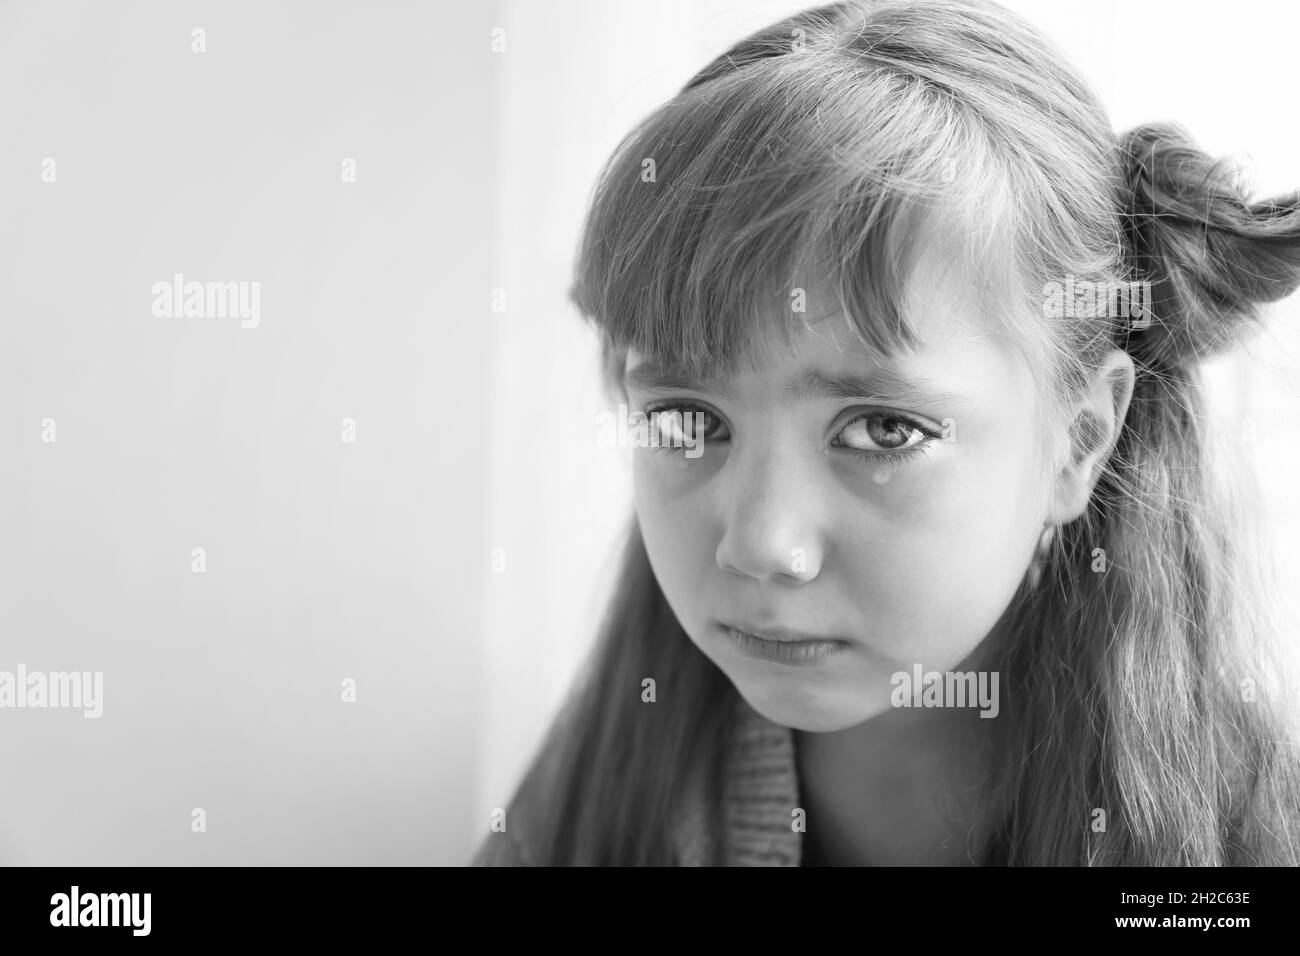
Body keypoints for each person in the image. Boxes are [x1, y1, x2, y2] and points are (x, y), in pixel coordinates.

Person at [472, 0, 1300, 865]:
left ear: (1080, 438)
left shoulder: (1234, 844)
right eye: (689, 419)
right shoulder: (601, 786)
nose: (763, 545)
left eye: (882, 430)